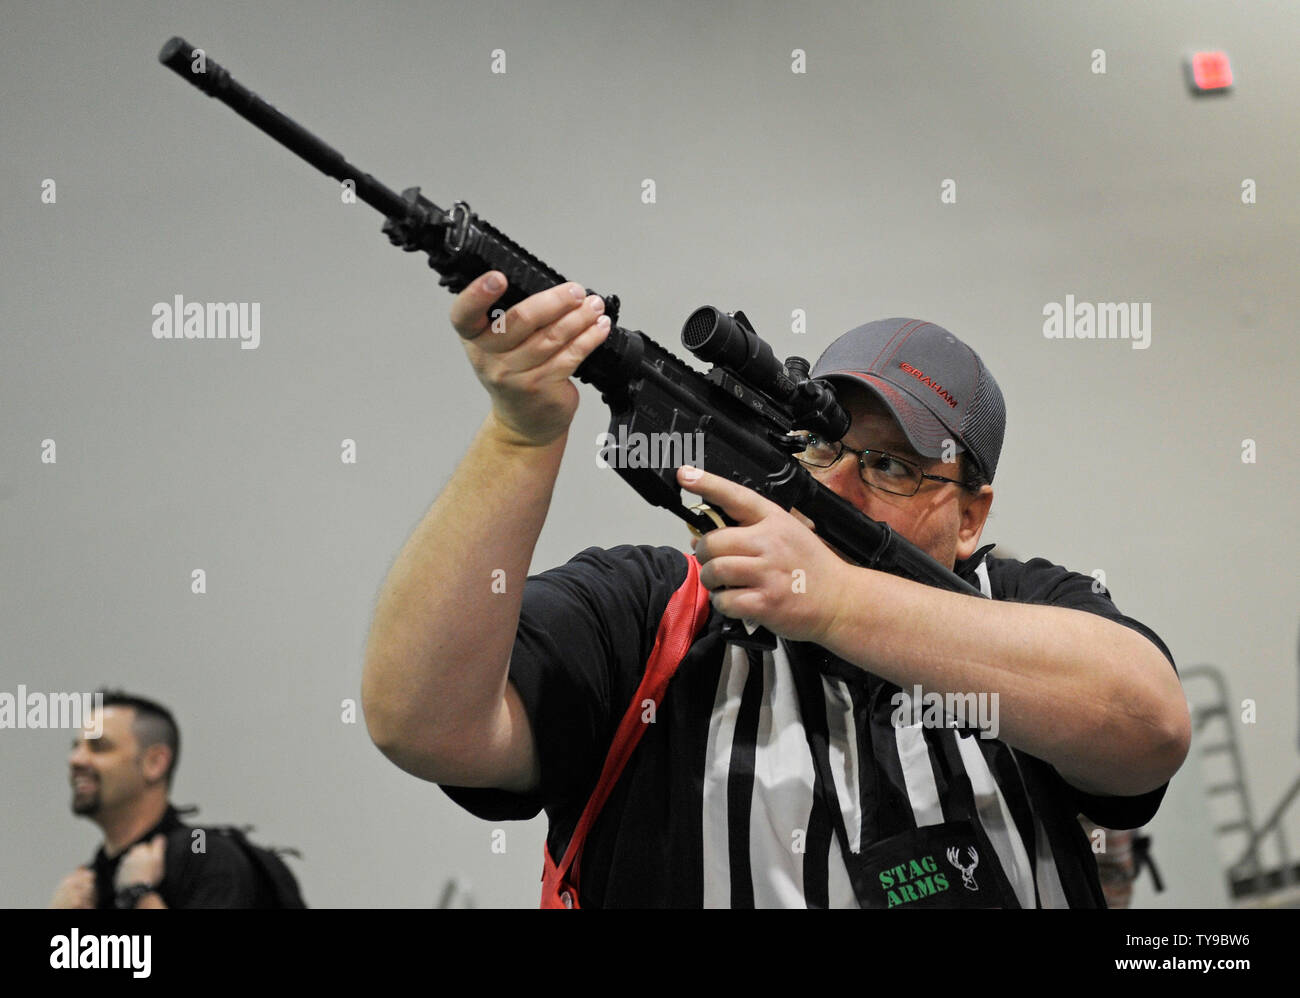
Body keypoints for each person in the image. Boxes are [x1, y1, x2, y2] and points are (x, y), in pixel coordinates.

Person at [361, 273, 1191, 908]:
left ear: (971, 516)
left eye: (893, 466)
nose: (843, 489)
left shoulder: (1017, 604)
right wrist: (520, 434)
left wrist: (835, 602)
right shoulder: (651, 614)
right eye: (825, 447)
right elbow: (421, 721)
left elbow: (1146, 724)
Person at [50, 690, 261, 909]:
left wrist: (138, 894)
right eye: (75, 747)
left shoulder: (206, 854)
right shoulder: (88, 886)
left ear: (154, 763)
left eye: (99, 746)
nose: (75, 760)